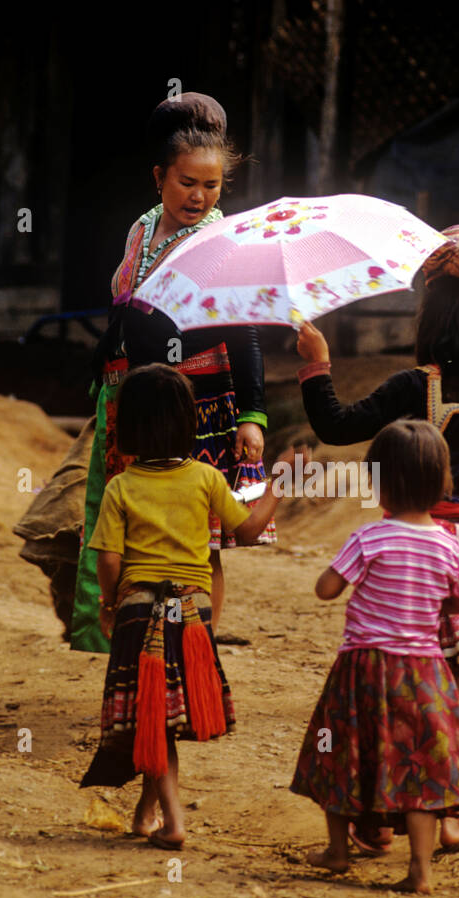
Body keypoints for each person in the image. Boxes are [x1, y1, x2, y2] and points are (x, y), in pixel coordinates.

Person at [295, 223, 459, 852]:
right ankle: (456, 816)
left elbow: (333, 424)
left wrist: (317, 362)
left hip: (410, 549)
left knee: (391, 687)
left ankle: (377, 812)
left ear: (427, 317)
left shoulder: (414, 387)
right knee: (456, 690)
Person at [64, 91, 271, 656]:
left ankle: (195, 645)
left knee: (199, 537)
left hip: (198, 408)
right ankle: (128, 636)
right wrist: (105, 370)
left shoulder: (223, 245)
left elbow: (244, 328)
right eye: (187, 183)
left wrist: (252, 414)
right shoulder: (143, 228)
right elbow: (123, 306)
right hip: (134, 403)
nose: (199, 197)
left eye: (212, 186)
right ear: (159, 177)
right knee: (134, 525)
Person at [78, 365, 291, 850]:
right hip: (193, 612)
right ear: (188, 423)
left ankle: (171, 821)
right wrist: (277, 485)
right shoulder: (207, 478)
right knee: (163, 714)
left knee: (154, 715)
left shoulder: (120, 487)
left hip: (137, 610)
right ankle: (146, 813)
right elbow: (248, 531)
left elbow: (108, 561)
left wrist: (109, 605)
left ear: (127, 425)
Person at [291, 421, 459, 894]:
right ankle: (420, 868)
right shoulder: (448, 544)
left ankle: (337, 852)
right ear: (442, 481)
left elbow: (325, 590)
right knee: (420, 767)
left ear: (377, 482)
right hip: (424, 673)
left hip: (364, 667)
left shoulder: (368, 538)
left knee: (339, 754)